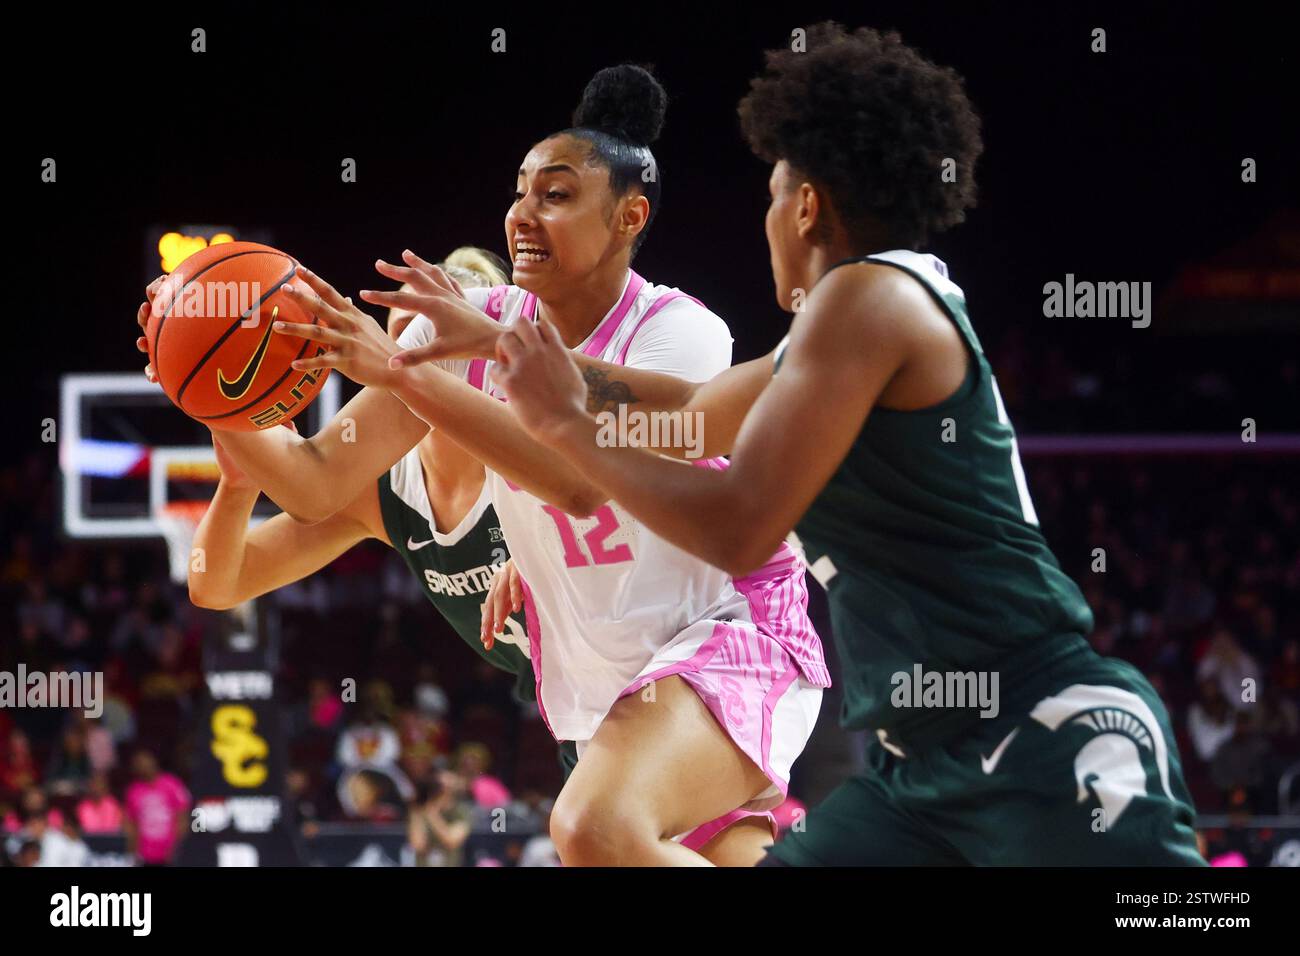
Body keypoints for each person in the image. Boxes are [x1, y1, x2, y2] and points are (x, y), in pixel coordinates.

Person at [485, 24, 1205, 866]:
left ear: (805, 205)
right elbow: (691, 414)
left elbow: (738, 525)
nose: (766, 221)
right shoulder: (830, 336)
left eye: (770, 194)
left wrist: (568, 425)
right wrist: (525, 359)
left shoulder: (866, 298)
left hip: (1039, 728)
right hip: (919, 768)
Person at [156, 65, 828, 865]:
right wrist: (196, 375)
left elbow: (579, 481)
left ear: (628, 216)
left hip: (730, 632)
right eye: (519, 193)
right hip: (609, 679)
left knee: (589, 829)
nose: (523, 214)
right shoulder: (466, 325)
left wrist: (401, 372)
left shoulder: (680, 332)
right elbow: (310, 482)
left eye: (556, 194)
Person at [123, 749, 190, 865]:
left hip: (170, 852)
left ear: (153, 761)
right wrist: (133, 852)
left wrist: (176, 848)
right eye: (138, 763)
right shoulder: (134, 791)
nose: (142, 766)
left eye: (144, 761)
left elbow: (182, 817)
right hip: (145, 855)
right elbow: (131, 824)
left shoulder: (171, 784)